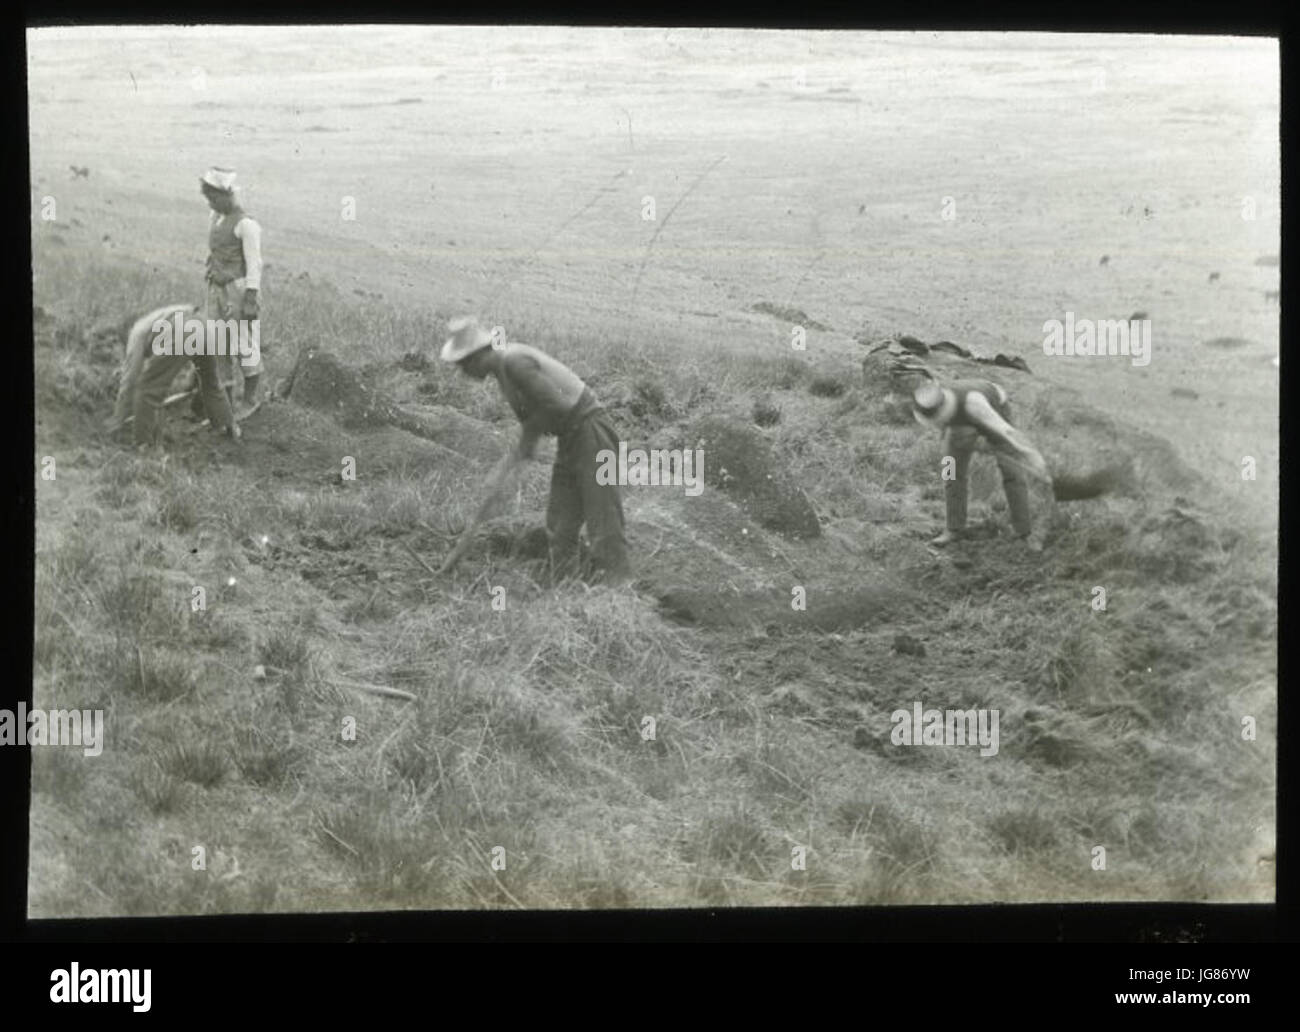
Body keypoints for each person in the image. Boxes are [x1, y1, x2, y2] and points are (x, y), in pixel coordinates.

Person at [440, 317, 631, 583]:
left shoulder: (514, 362)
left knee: (603, 517)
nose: (463, 373)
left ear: (475, 357)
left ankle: (619, 591)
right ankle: (565, 588)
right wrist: (525, 444)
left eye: (462, 365)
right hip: (570, 437)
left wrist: (525, 441)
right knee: (560, 524)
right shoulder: (503, 373)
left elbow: (554, 405)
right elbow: (543, 415)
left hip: (591, 431)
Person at [911, 378, 1052, 551]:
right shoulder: (930, 400)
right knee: (950, 471)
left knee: (1012, 472)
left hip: (995, 410)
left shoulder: (974, 405)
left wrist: (1033, 457)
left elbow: (1007, 432)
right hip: (959, 424)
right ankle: (954, 529)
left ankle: (1023, 531)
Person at [108, 302, 239, 445]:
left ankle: (143, 443)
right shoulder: (154, 319)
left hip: (183, 330)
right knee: (210, 381)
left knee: (147, 388)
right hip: (205, 326)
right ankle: (229, 425)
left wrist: (117, 419)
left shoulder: (137, 332)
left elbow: (131, 380)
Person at [200, 167, 264, 418]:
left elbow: (254, 263)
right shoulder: (215, 217)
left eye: (214, 197)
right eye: (209, 198)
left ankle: (249, 400)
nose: (211, 202)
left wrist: (250, 299)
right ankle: (226, 402)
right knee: (219, 344)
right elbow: (216, 248)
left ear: (227, 195)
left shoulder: (246, 225)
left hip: (236, 291)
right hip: (216, 288)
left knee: (242, 343)